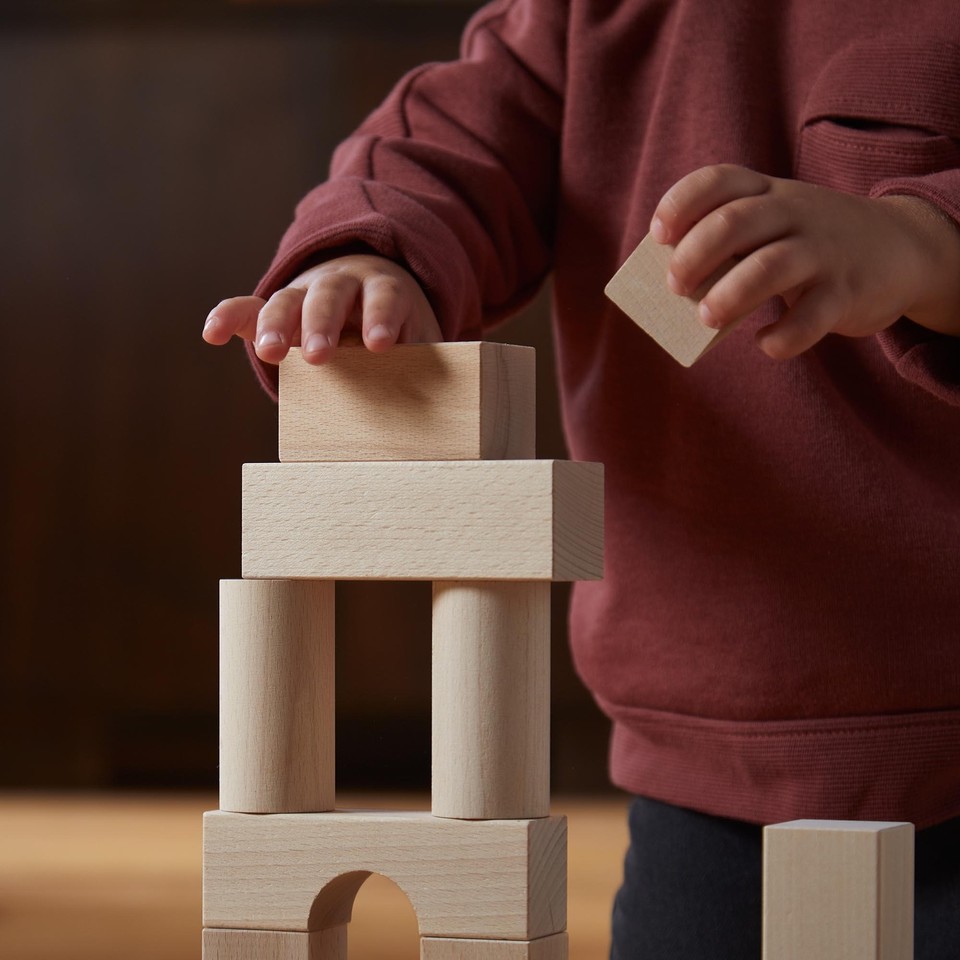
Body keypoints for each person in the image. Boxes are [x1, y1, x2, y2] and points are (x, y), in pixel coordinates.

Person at [203, 1, 960, 956]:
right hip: (695, 771)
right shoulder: (584, 20)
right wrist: (365, 250)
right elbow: (443, 144)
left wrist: (927, 247)